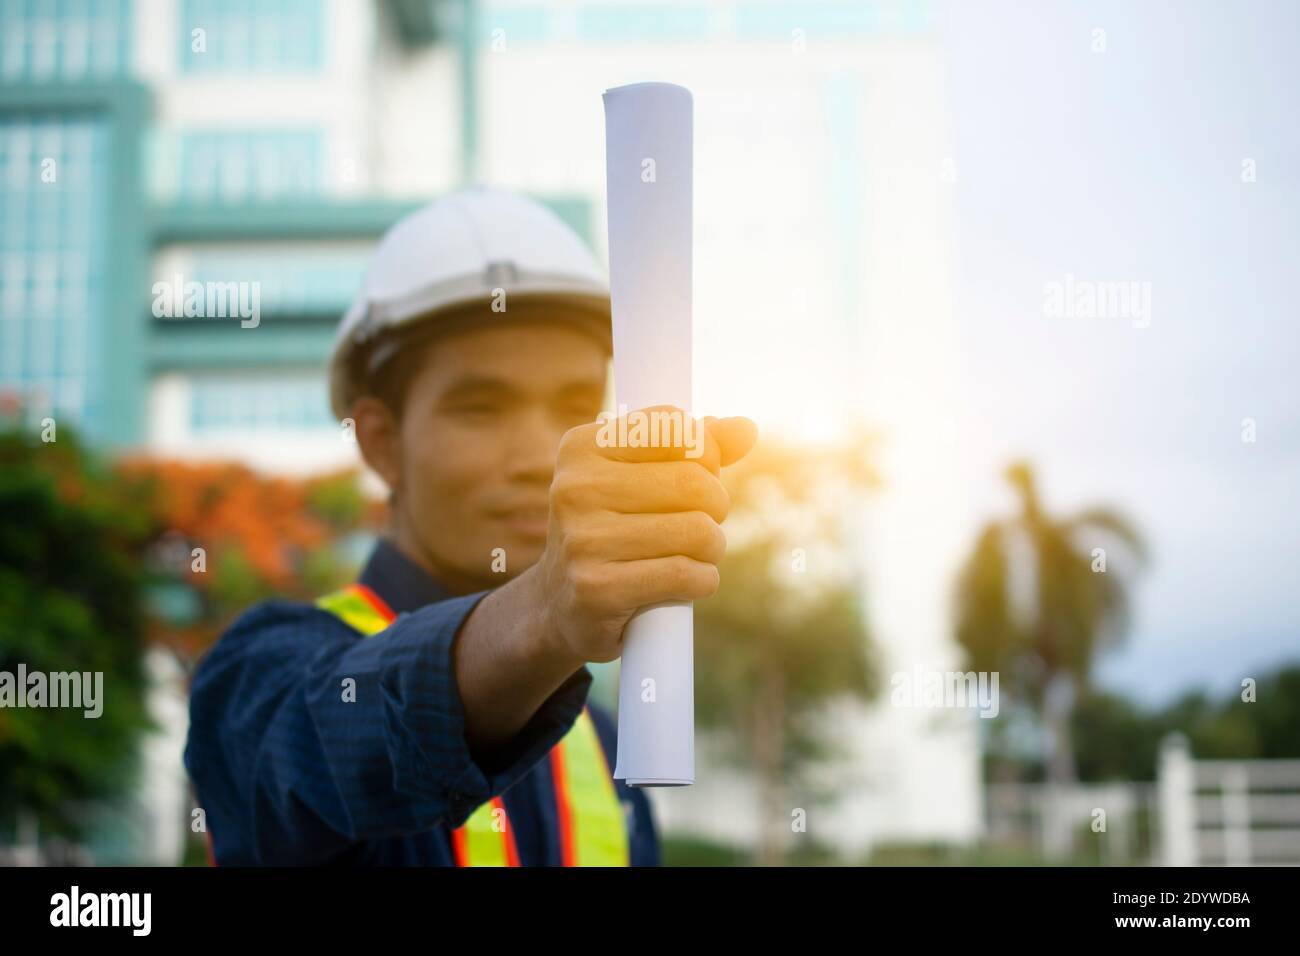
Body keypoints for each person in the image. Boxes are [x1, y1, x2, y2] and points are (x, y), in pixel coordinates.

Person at [183, 185, 757, 865]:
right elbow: (315, 753)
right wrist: (545, 614)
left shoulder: (600, 742)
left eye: (575, 404)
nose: (542, 457)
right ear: (381, 441)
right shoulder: (261, 680)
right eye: (481, 408)